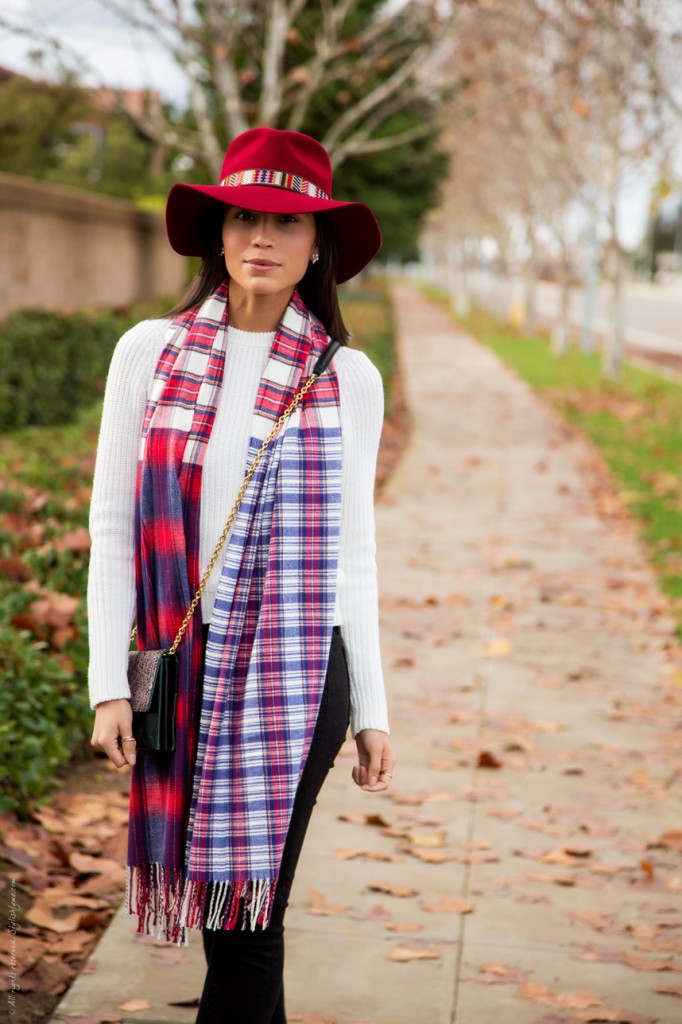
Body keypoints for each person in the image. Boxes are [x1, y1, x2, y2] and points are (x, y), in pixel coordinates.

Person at [88, 126, 394, 1023]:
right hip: (180, 673)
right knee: (236, 922)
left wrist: (372, 705)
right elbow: (112, 526)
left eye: (287, 223)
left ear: (318, 246)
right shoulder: (148, 353)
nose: (262, 237)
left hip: (298, 681)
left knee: (250, 920)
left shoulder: (350, 380)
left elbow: (355, 553)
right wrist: (111, 683)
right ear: (218, 234)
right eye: (244, 217)